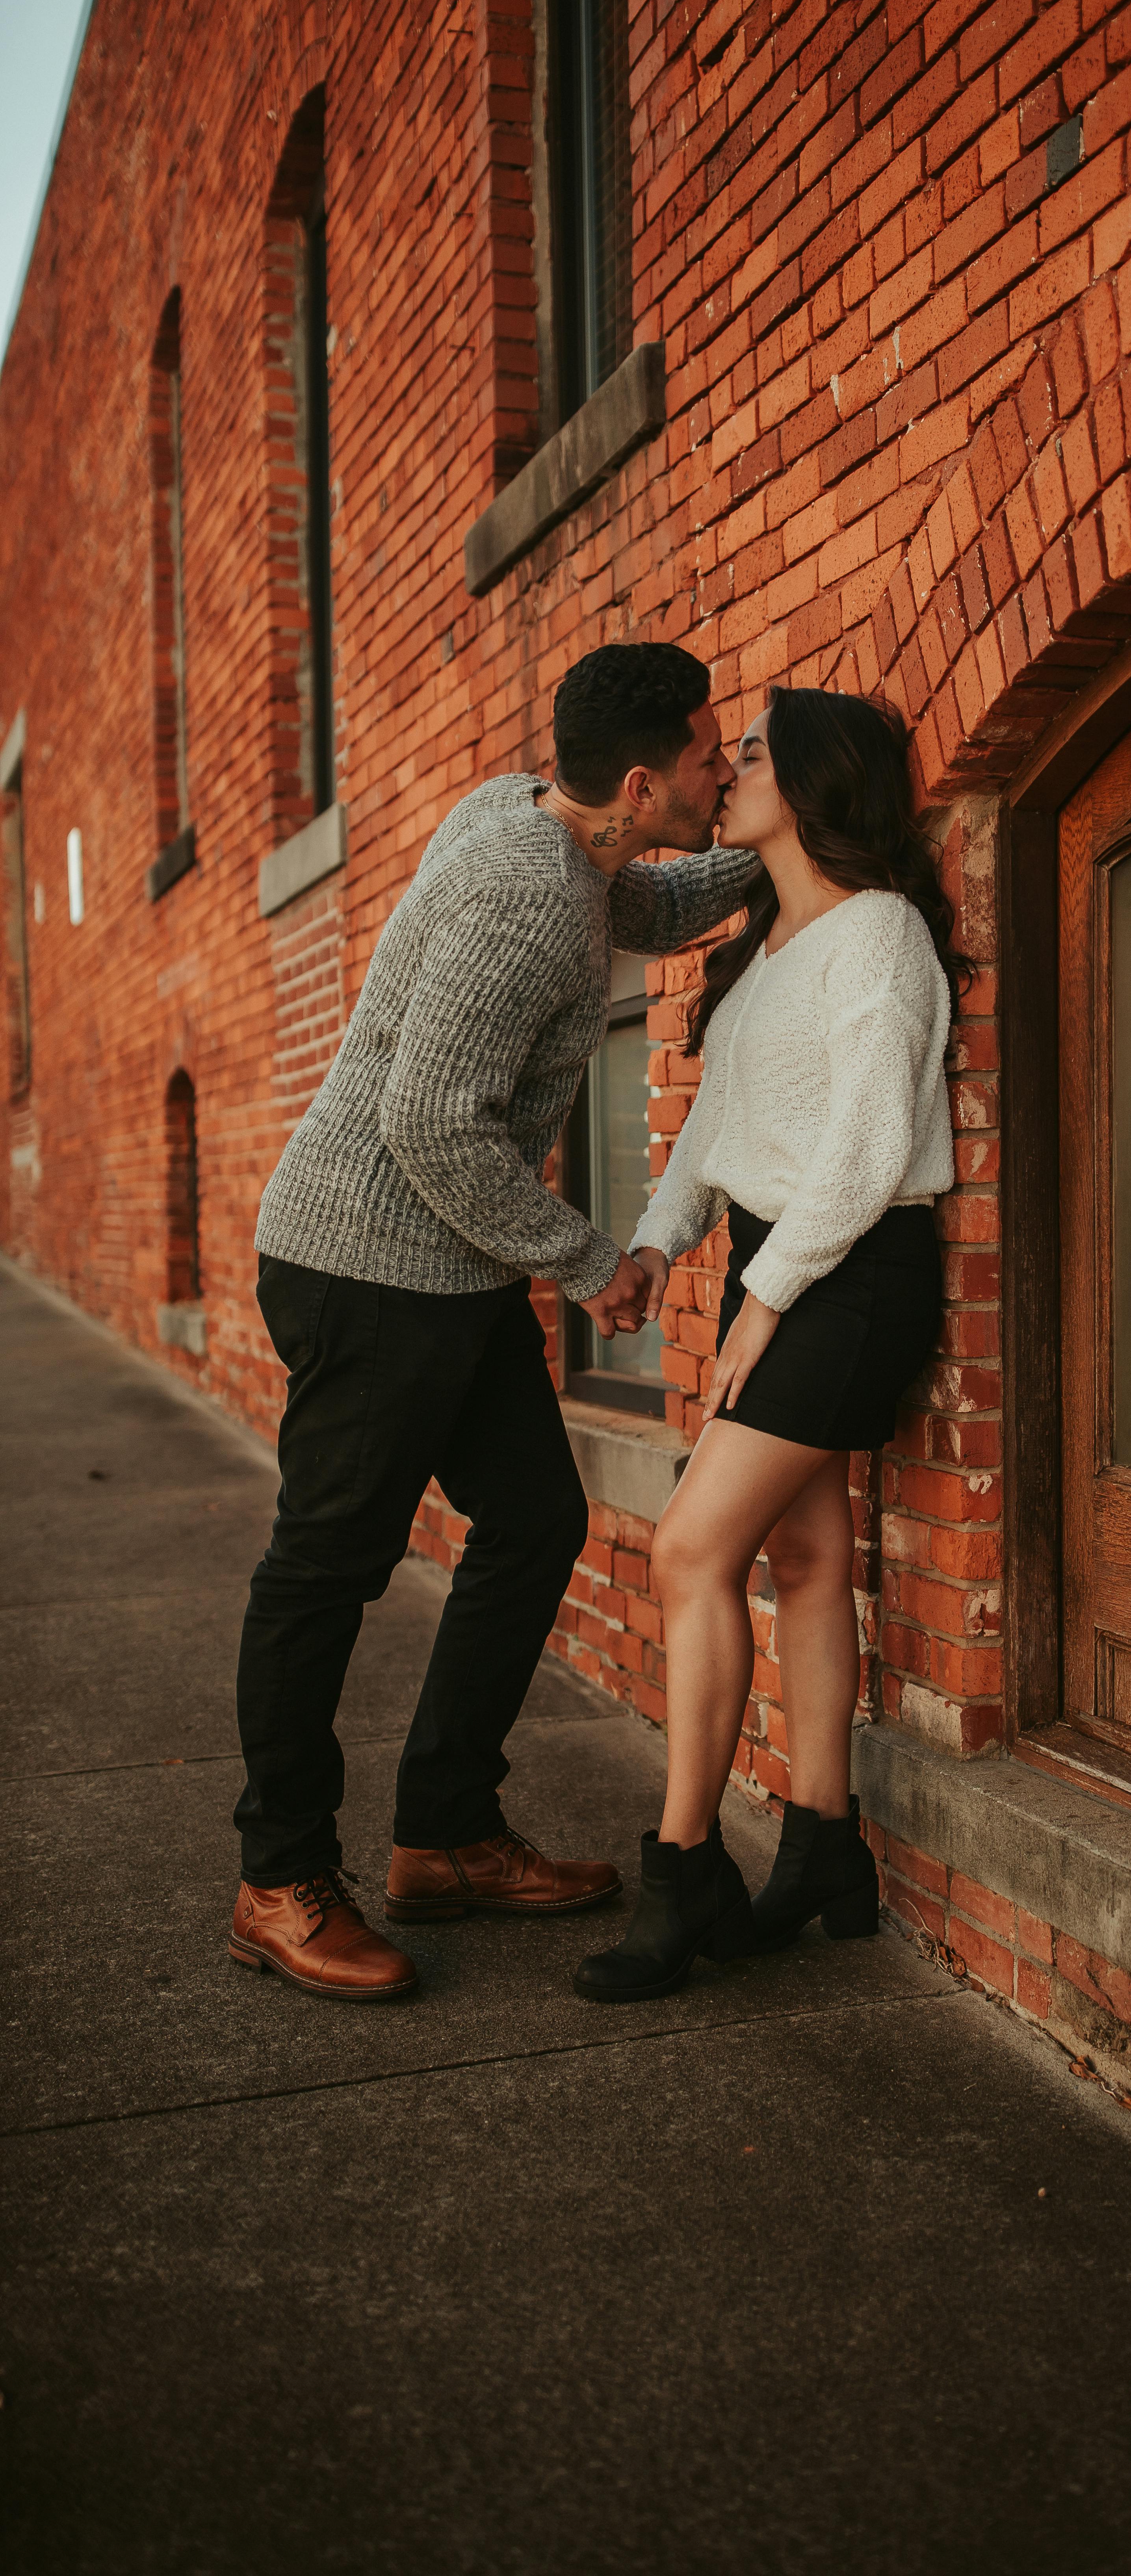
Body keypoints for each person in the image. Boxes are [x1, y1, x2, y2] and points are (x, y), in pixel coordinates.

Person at [227, 643, 759, 2002]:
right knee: (326, 1568)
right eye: (711, 753)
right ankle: (278, 1880)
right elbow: (427, 1125)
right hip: (365, 1266)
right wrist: (588, 1262)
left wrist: (779, 842)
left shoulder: (541, 820)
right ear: (638, 785)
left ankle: (445, 1835)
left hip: (447, 1275)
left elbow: (637, 902)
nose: (724, 761)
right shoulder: (524, 899)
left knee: (532, 1520)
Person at [575, 687, 963, 2005]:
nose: (725, 771)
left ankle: (683, 1873)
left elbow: (861, 1154)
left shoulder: (884, 938)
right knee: (805, 1554)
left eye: (749, 755)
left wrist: (768, 1296)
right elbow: (711, 1135)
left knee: (691, 1546)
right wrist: (655, 1247)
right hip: (779, 1262)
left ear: (812, 781)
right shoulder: (769, 941)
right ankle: (825, 1851)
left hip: (851, 1273)